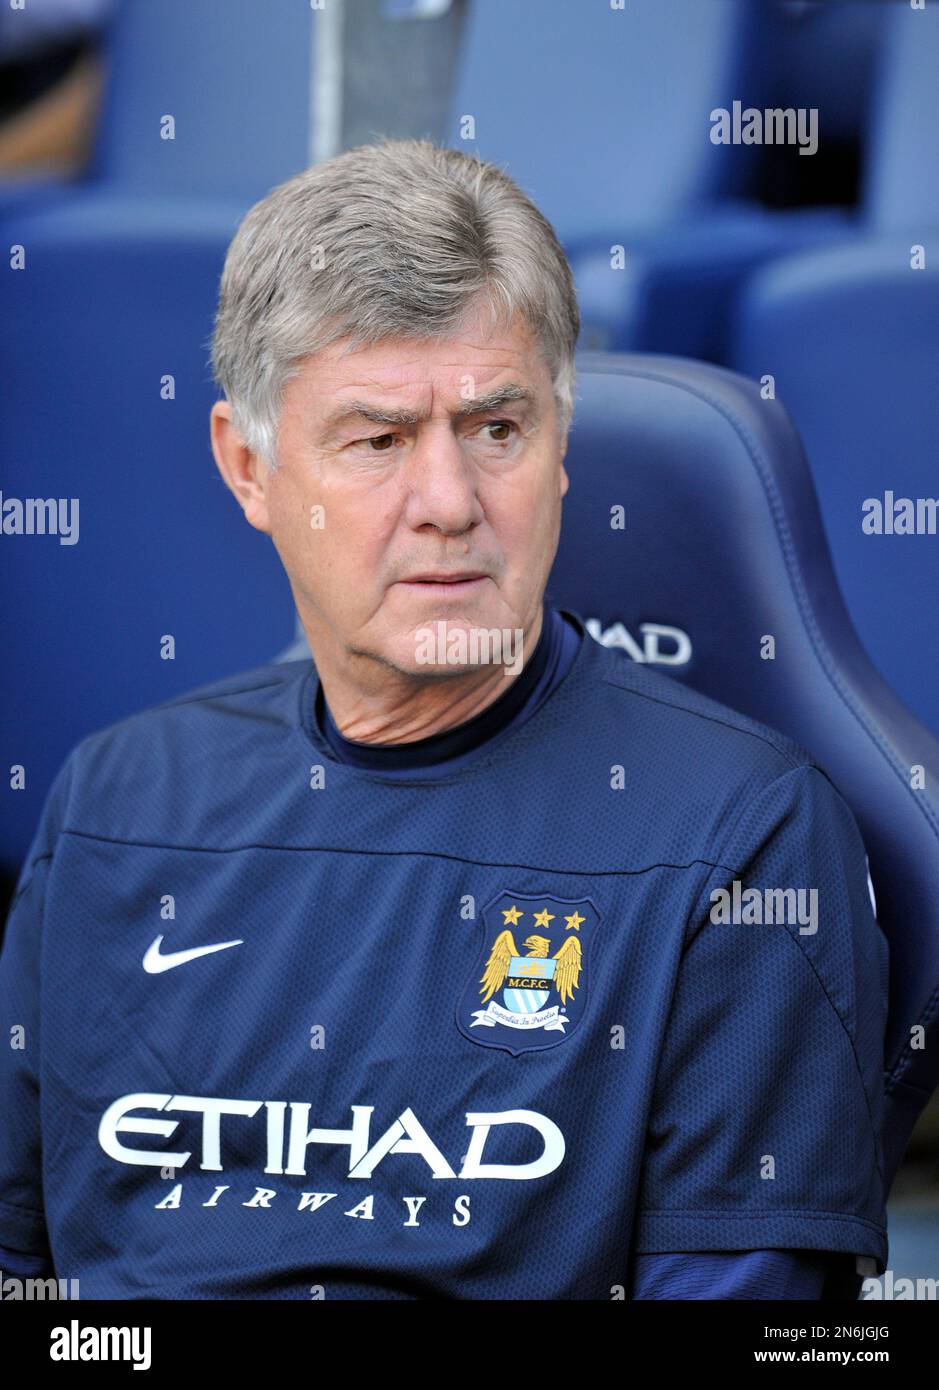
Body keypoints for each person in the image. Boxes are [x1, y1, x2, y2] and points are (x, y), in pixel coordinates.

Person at [0, 138, 888, 1299]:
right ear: (249, 466)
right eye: (377, 439)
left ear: (562, 446)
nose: (450, 504)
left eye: (497, 429)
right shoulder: (116, 801)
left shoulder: (746, 839)